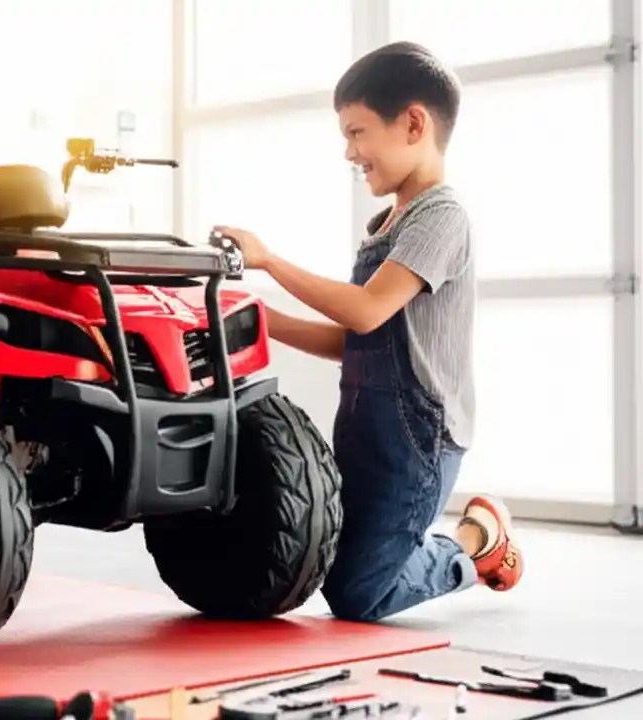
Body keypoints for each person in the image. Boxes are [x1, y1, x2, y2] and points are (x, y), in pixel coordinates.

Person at [213, 41, 522, 622]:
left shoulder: (443, 216)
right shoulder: (386, 223)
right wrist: (260, 319)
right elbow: (358, 342)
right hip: (365, 422)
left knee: (361, 594)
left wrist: (269, 261)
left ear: (412, 124)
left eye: (357, 133)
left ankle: (477, 545)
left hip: (417, 439)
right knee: (332, 561)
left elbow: (365, 311)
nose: (350, 152)